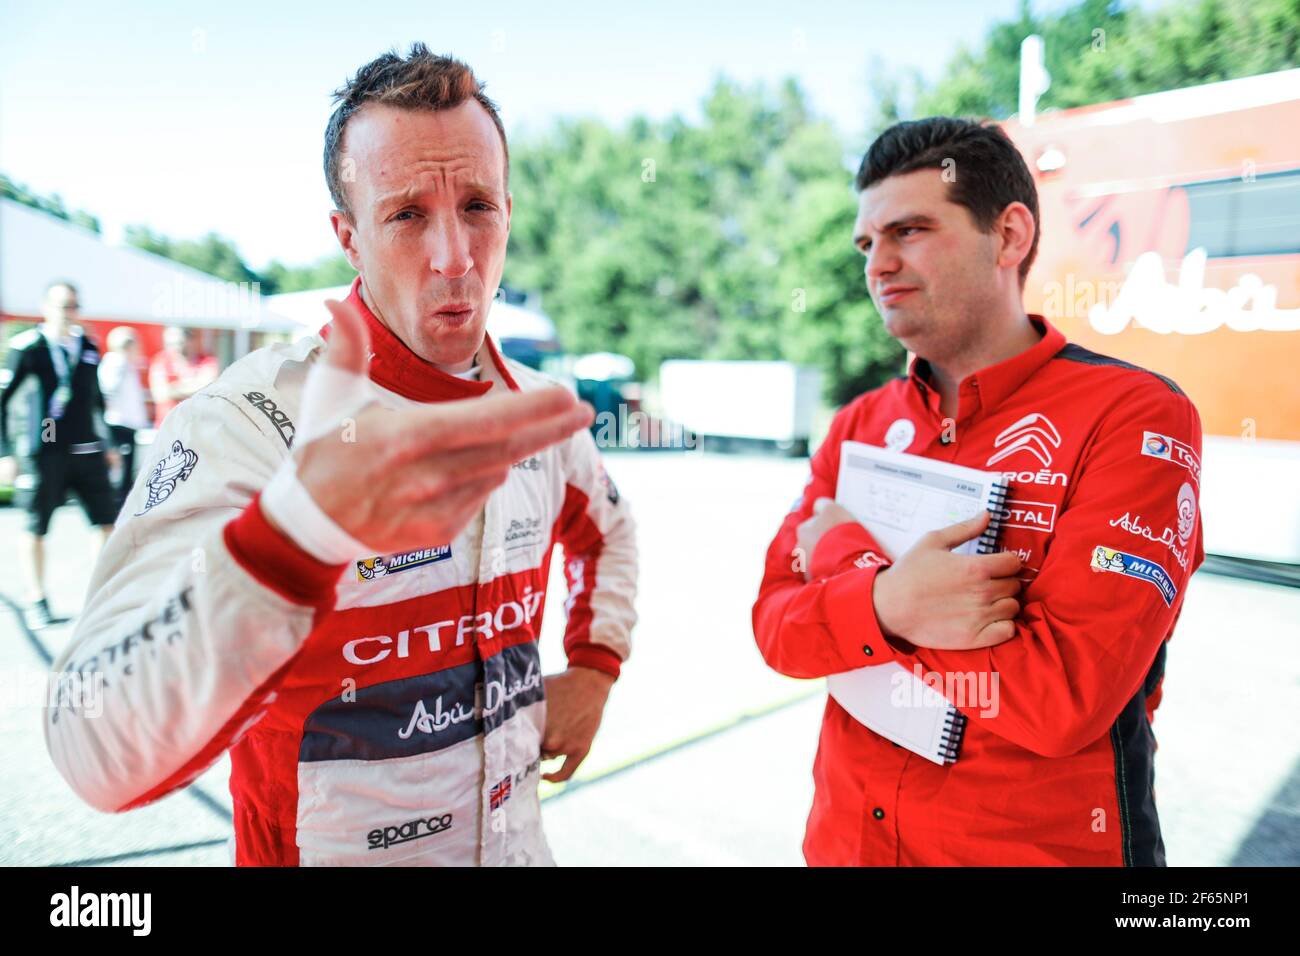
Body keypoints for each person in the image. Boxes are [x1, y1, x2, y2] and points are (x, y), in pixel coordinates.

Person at [45, 46, 638, 867]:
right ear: (348, 238)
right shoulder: (247, 423)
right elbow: (92, 749)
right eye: (405, 215)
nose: (455, 256)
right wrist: (294, 538)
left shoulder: (538, 411)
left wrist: (597, 667)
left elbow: (610, 533)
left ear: (508, 211)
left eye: (477, 206)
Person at [752, 117, 1204, 866]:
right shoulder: (861, 423)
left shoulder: (1133, 414)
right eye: (868, 244)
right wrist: (894, 601)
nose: (879, 265)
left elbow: (1059, 698)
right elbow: (775, 628)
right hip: (847, 845)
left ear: (1010, 235)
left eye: (911, 230)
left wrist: (851, 570)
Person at [0, 280, 120, 629]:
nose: (68, 313)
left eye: (73, 306)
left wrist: (108, 443)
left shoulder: (88, 346)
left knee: (106, 523)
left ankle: (99, 597)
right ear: (46, 307)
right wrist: (6, 453)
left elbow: (96, 399)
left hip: (87, 449)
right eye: (62, 305)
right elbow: (3, 403)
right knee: (38, 526)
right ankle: (37, 597)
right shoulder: (28, 347)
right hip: (46, 450)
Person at [97, 326, 151, 511]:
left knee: (126, 472)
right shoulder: (117, 364)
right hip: (118, 424)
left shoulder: (125, 365)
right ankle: (117, 509)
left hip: (125, 424)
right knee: (121, 472)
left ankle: (121, 507)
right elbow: (107, 391)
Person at [148, 326, 218, 427]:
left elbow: (207, 388)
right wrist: (192, 387)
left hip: (198, 426)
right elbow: (160, 394)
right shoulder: (161, 361)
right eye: (169, 344)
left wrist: (173, 389)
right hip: (168, 427)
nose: (174, 348)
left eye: (179, 343)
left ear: (191, 340)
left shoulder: (207, 361)